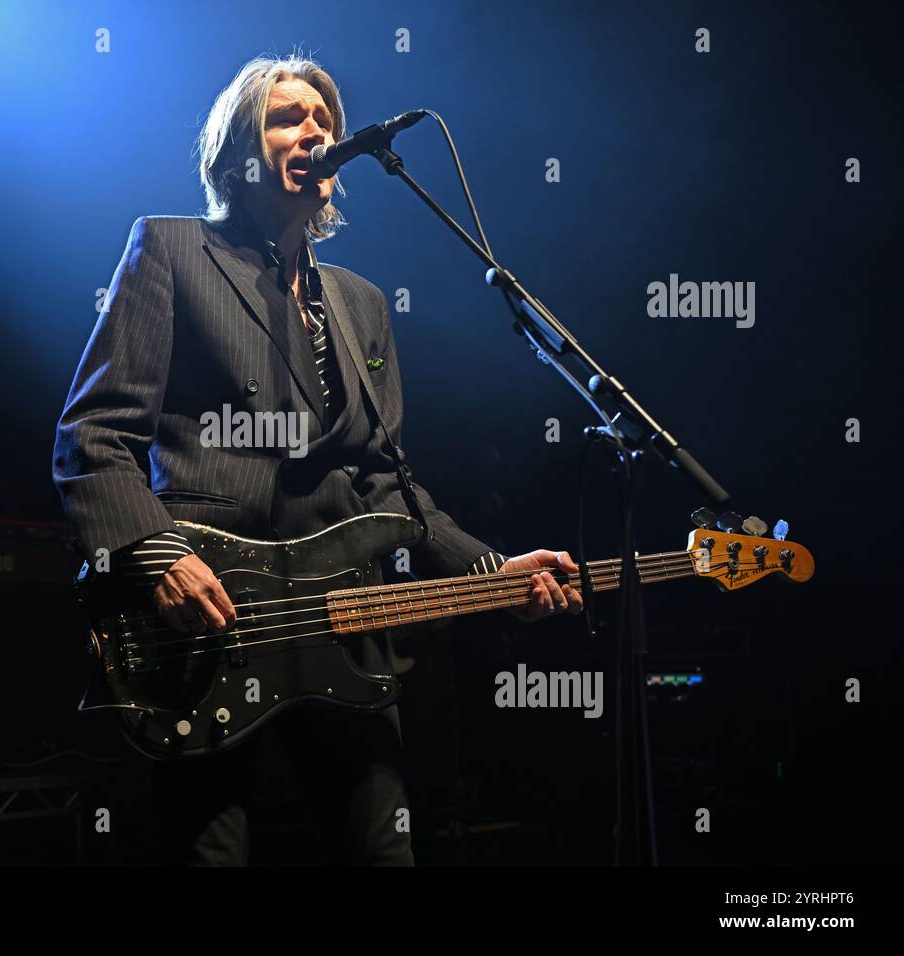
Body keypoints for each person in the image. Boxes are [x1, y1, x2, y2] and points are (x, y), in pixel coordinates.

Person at [53, 54, 583, 865]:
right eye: (288, 117)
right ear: (240, 150)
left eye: (325, 121)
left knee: (383, 855)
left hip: (344, 625)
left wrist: (494, 572)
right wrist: (159, 557)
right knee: (210, 856)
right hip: (209, 619)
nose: (316, 132)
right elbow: (94, 434)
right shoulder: (170, 249)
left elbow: (386, 487)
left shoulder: (361, 303)